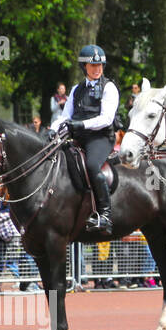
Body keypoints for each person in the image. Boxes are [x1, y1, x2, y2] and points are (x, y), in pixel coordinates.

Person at [50, 44, 119, 233]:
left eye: (100, 66)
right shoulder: (76, 90)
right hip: (78, 136)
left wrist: (80, 124)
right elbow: (65, 116)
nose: (97, 69)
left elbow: (106, 119)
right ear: (84, 67)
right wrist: (52, 130)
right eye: (92, 66)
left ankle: (105, 214)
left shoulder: (109, 88)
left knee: (92, 165)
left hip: (100, 137)